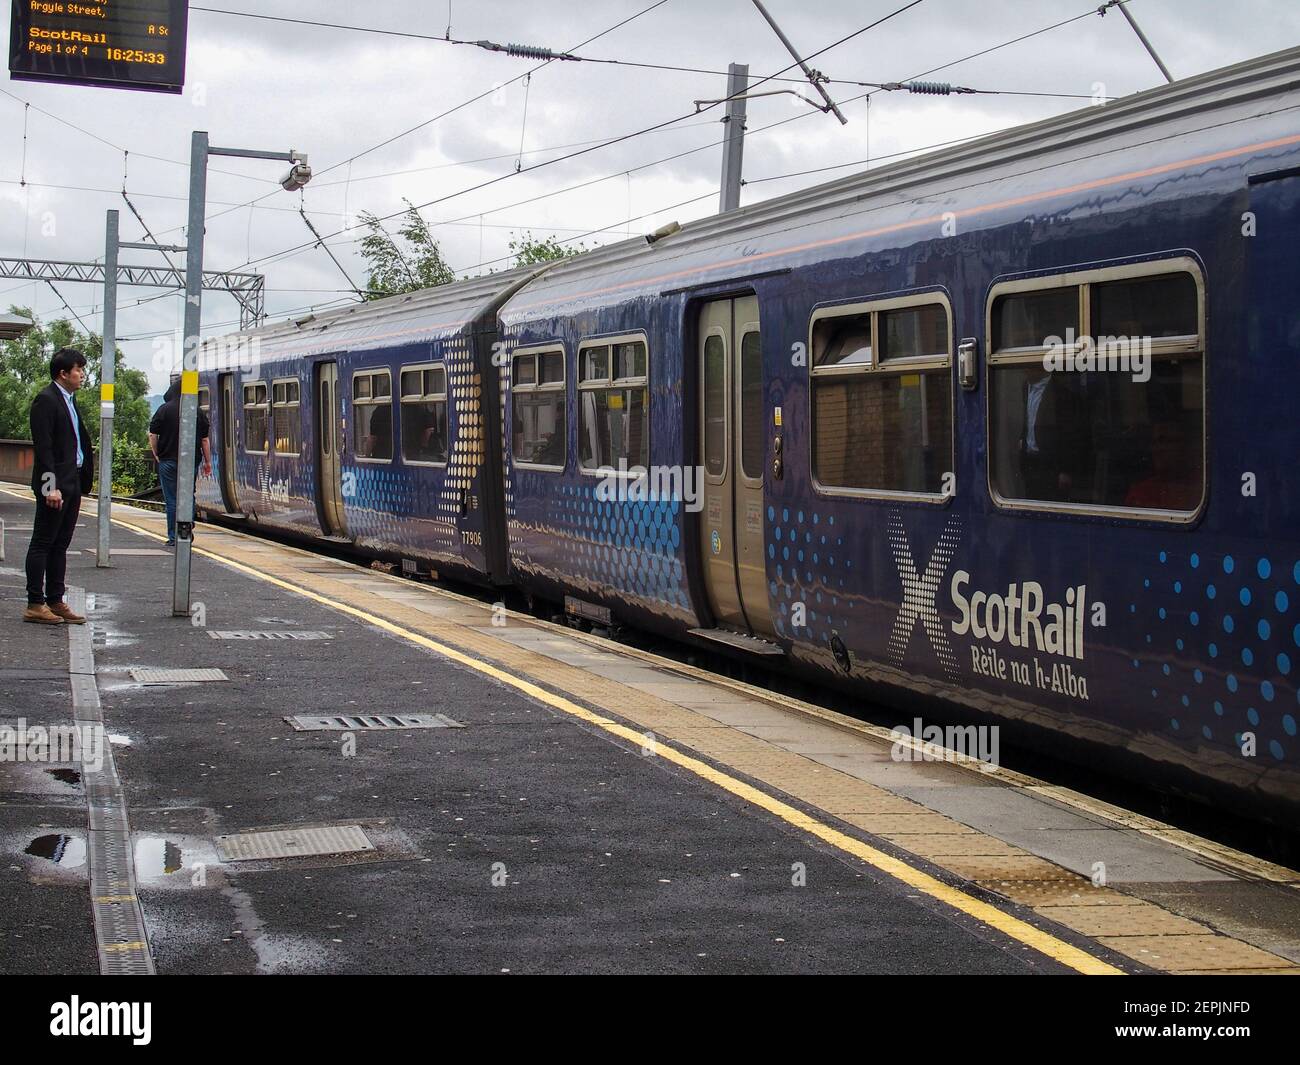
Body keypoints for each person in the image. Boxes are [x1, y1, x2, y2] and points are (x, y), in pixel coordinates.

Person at [24, 348, 94, 625]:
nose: (82, 375)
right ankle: (34, 603)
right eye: (79, 370)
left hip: (72, 481)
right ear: (63, 373)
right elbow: (44, 449)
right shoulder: (46, 400)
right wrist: (50, 486)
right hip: (54, 484)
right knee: (43, 542)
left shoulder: (68, 399)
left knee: (60, 544)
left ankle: (55, 599)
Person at [149, 378, 212, 546]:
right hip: (190, 461)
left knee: (171, 499)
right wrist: (208, 462)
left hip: (167, 461)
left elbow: (152, 434)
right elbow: (205, 440)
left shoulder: (163, 409)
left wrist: (157, 453)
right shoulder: (196, 411)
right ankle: (186, 530)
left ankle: (173, 537)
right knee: (187, 495)